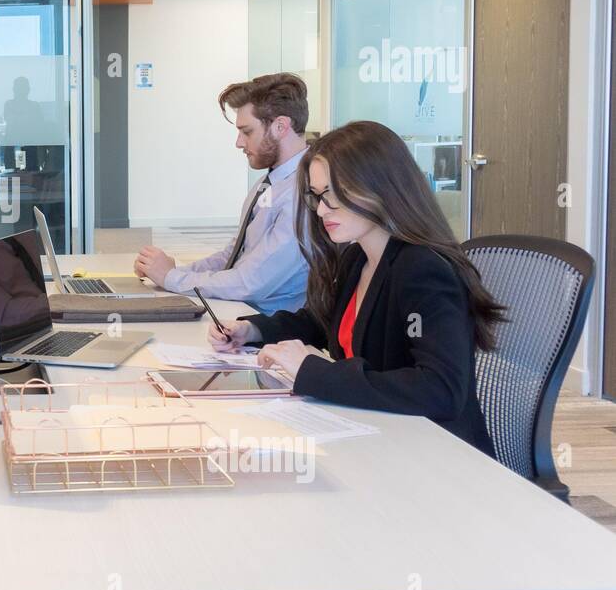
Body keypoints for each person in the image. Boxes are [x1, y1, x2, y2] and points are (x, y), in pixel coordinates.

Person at [207, 120, 502, 455]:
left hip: (435, 456)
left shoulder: (423, 270)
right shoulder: (358, 258)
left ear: (379, 188)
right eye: (317, 197)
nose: (320, 210)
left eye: (332, 197)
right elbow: (322, 322)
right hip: (379, 435)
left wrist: (315, 371)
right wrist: (253, 330)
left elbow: (439, 390)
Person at [134, 72, 311, 314]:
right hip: (237, 314)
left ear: (280, 126)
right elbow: (234, 255)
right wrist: (174, 272)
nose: (239, 143)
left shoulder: (302, 194)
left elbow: (249, 283)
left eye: (247, 132)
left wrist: (172, 278)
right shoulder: (269, 182)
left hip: (265, 329)